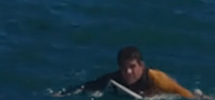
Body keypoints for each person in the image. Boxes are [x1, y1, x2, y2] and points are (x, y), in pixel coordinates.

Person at [58, 46, 199, 98]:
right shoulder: (115, 77)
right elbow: (88, 86)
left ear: (141, 66)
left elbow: (184, 94)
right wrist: (61, 94)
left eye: (132, 67)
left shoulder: (157, 78)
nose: (128, 72)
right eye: (124, 68)